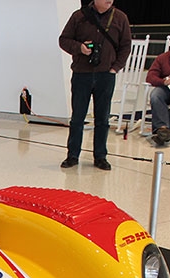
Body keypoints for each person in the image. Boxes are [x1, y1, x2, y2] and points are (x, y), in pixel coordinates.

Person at [58, 0, 132, 171]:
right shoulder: (79, 16)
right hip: (81, 74)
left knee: (102, 118)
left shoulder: (120, 18)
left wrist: (115, 67)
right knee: (77, 117)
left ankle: (100, 156)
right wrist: (80, 48)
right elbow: (63, 40)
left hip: (106, 74)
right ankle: (72, 155)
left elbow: (126, 45)